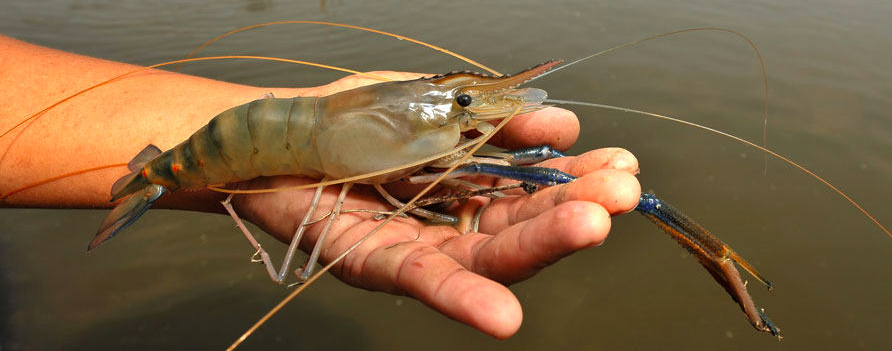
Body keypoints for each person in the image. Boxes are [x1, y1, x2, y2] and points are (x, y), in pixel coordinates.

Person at [0, 35, 641, 339]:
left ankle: (151, 176)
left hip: (266, 137)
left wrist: (457, 106)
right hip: (230, 148)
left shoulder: (425, 110)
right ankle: (153, 179)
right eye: (464, 100)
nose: (470, 108)